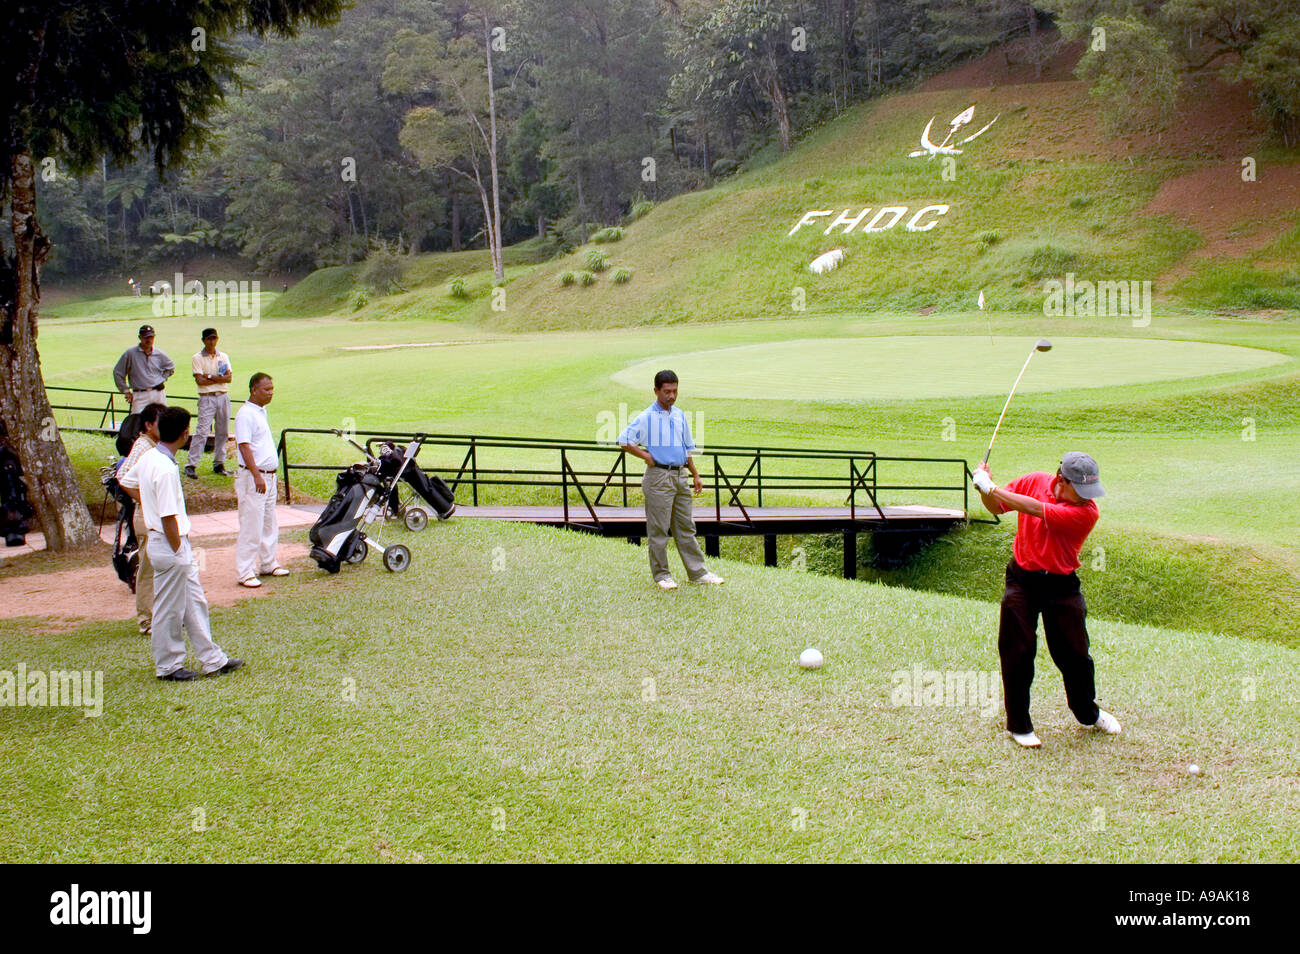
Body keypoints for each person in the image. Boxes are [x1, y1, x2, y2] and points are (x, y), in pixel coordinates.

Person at [973, 452, 1121, 749]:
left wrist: (991, 486)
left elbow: (1034, 508)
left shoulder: (1087, 512)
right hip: (1022, 579)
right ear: (1061, 480)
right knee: (1017, 650)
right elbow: (998, 507)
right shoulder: (1034, 481)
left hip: (1061, 585)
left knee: (1075, 655)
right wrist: (983, 489)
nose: (1087, 498)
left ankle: (1087, 713)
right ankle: (1019, 725)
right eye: (1082, 490)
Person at [118, 406, 243, 681]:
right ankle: (168, 666)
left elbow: (124, 480)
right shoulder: (163, 467)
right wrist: (178, 549)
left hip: (167, 542)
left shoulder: (151, 456)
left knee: (194, 603)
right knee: (169, 609)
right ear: (185, 433)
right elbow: (167, 517)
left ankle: (213, 659)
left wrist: (145, 500)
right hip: (170, 544)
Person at [618, 370, 724, 590]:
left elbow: (686, 448)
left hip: (680, 476)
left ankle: (698, 572)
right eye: (667, 391)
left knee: (686, 526)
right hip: (658, 478)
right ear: (656, 391)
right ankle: (662, 576)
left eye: (675, 391)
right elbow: (624, 440)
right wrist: (646, 456)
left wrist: (695, 474)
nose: (671, 396)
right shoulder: (647, 417)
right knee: (658, 530)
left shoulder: (679, 414)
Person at [234, 372, 287, 588]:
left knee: (268, 521)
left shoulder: (261, 411)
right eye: (266, 389)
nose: (271, 393)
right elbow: (244, 446)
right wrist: (256, 475)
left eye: (272, 389)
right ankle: (245, 571)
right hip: (254, 476)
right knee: (251, 523)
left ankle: (268, 562)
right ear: (254, 390)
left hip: (269, 476)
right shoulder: (245, 414)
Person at [118, 402, 164, 634]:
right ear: (148, 425)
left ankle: (164, 615)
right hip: (147, 516)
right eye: (160, 422)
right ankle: (146, 620)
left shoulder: (155, 446)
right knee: (148, 567)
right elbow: (123, 476)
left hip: (157, 515)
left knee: (165, 565)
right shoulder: (143, 446)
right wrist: (146, 500)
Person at [186, 327, 233, 479]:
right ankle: (191, 464)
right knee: (202, 431)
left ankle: (219, 462)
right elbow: (200, 380)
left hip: (223, 396)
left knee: (222, 431)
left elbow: (228, 378)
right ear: (204, 340)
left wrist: (209, 376)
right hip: (207, 397)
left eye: (214, 338)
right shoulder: (197, 357)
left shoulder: (223, 356)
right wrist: (217, 378)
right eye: (209, 339)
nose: (212, 342)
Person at [113, 325, 175, 415]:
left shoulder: (159, 353)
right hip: (139, 394)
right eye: (145, 337)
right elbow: (118, 373)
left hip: (158, 393)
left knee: (161, 421)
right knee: (137, 421)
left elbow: (170, 367)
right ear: (140, 337)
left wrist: (161, 379)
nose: (148, 340)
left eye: (151, 337)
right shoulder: (130, 354)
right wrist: (126, 391)